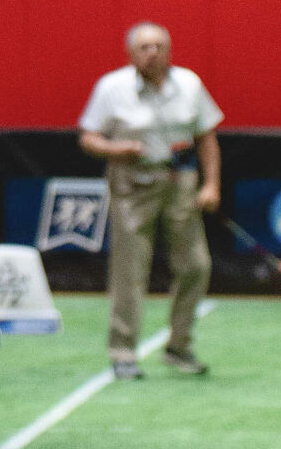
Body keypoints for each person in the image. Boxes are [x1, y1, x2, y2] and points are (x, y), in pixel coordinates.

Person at [77, 21, 222, 378]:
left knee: (196, 265)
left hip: (180, 181)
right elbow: (88, 137)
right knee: (131, 271)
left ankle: (179, 346)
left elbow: (206, 137)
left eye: (159, 46)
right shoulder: (112, 88)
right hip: (132, 185)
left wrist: (211, 185)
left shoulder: (189, 84)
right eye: (144, 47)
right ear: (130, 53)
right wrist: (115, 148)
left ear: (170, 50)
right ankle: (123, 351)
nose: (153, 52)